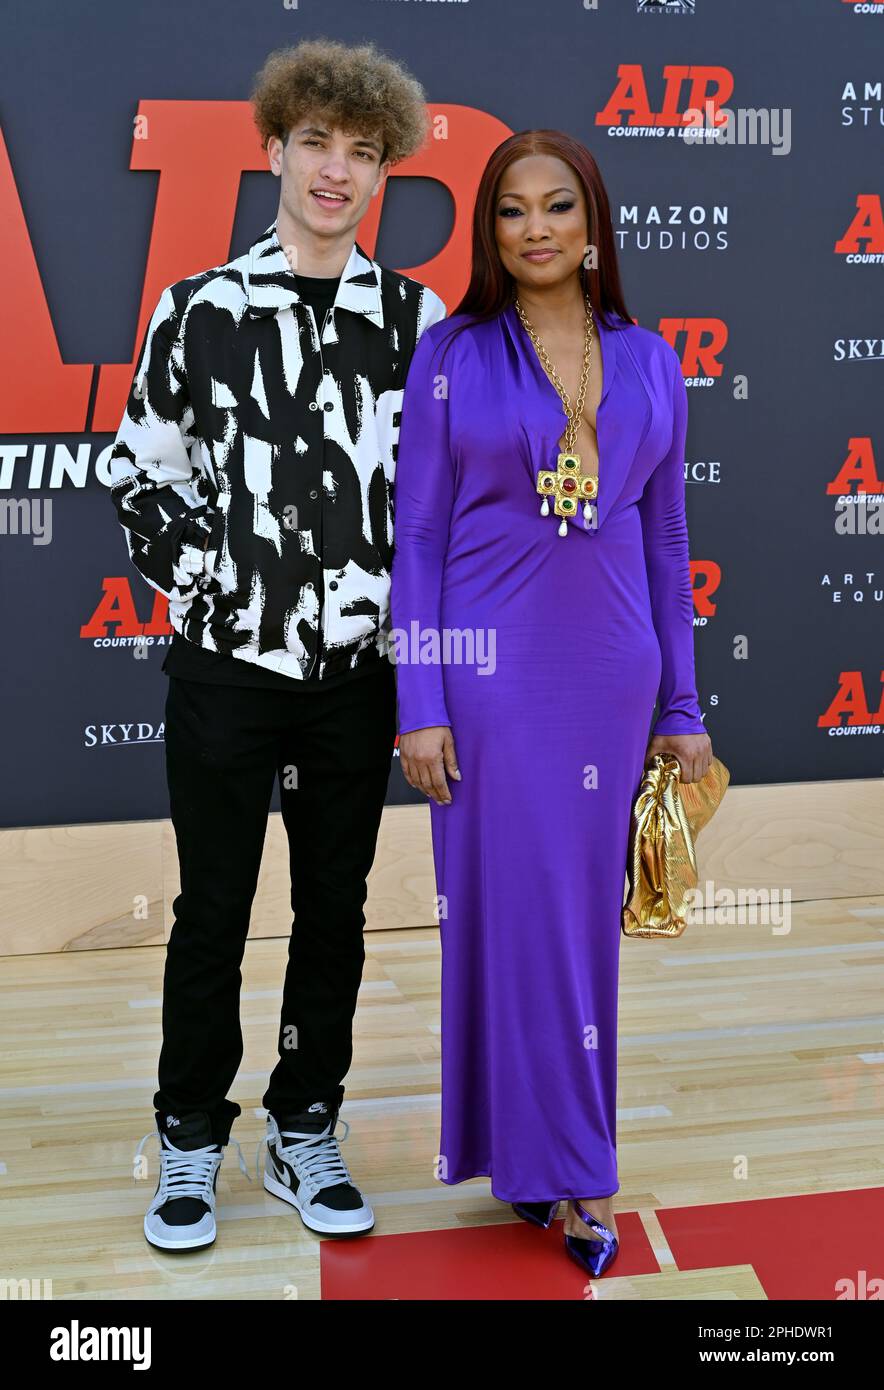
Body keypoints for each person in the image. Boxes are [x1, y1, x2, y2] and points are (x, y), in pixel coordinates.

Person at [112, 39, 446, 1251]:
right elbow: (137, 477)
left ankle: (305, 1122)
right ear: (275, 149)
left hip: (352, 687)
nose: (337, 171)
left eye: (363, 154)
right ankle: (190, 1136)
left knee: (334, 912)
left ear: (385, 174)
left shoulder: (418, 323)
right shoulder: (196, 311)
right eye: (317, 144)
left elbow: (438, 506)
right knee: (210, 909)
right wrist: (219, 591)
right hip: (225, 675)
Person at [390, 129, 713, 1278]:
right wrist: (416, 696)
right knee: (513, 919)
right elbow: (416, 535)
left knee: (574, 928)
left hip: (610, 678)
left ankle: (534, 1160)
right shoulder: (449, 356)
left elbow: (667, 540)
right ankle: (577, 1172)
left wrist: (681, 703)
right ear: (488, 231)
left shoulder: (649, 360)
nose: (534, 228)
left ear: (591, 224)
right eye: (511, 211)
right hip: (488, 678)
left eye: (556, 207)